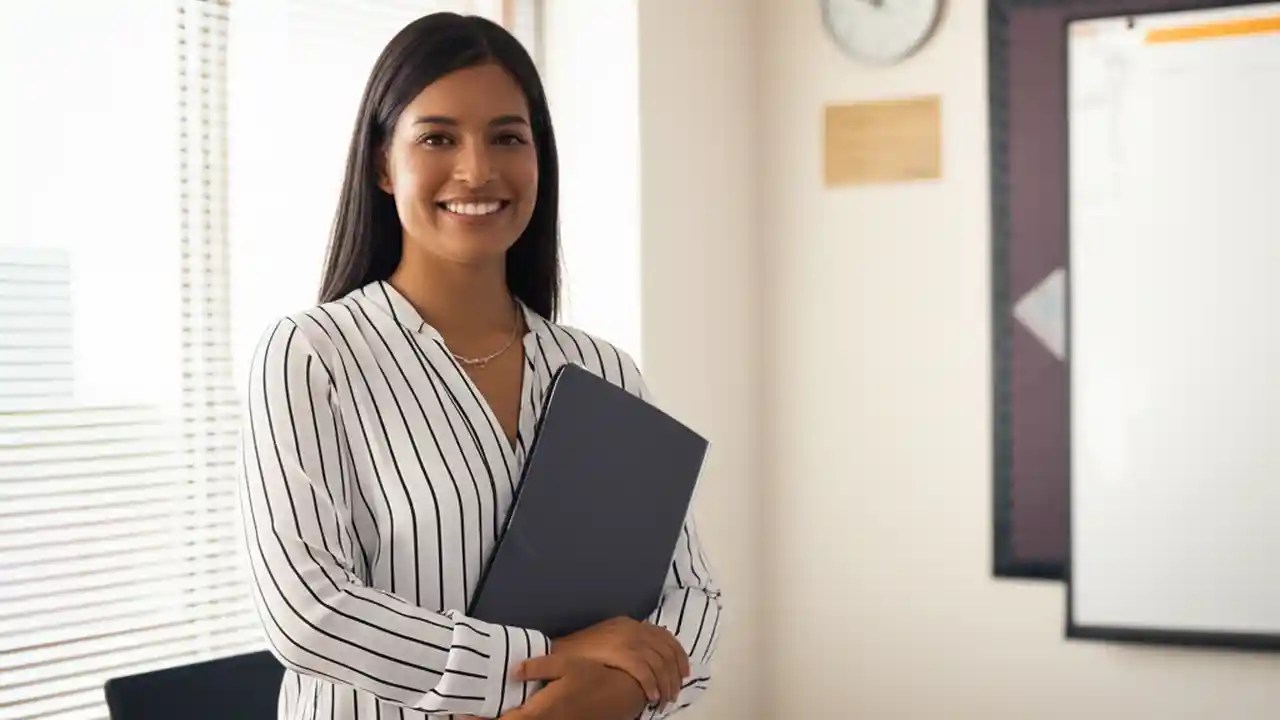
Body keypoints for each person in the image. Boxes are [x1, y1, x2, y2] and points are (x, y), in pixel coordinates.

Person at [236, 12, 723, 720]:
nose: (477, 169)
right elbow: (308, 612)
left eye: (507, 137)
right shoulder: (313, 356)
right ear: (381, 162)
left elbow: (692, 596)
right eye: (437, 137)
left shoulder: (603, 369)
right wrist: (548, 675)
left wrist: (614, 693)